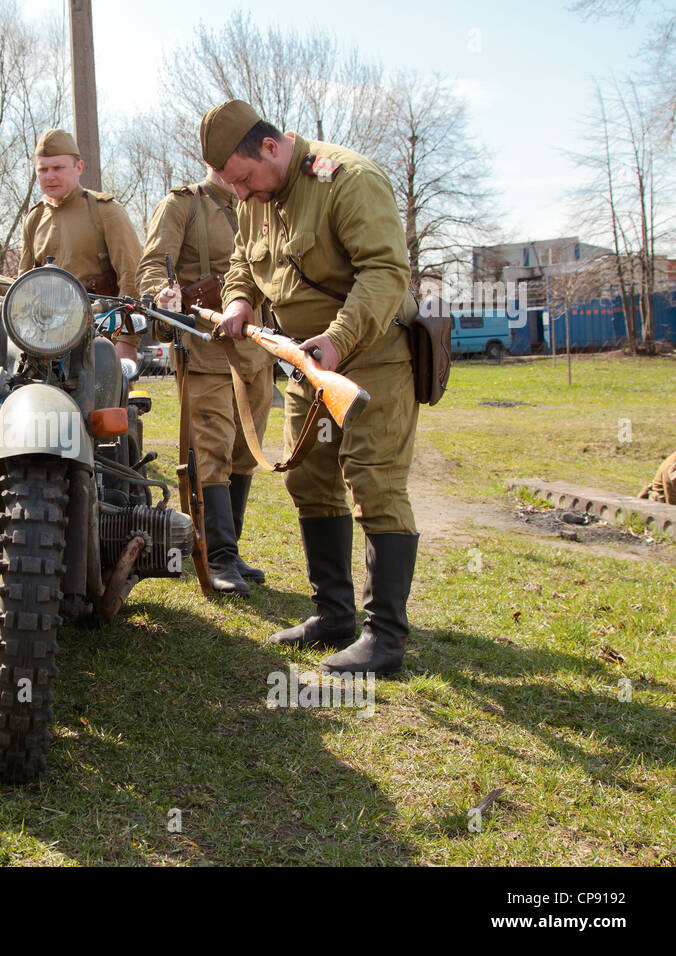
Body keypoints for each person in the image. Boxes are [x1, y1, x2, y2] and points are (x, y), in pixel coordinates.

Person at [201, 99, 419, 677]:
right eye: (234, 187)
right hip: (305, 363)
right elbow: (242, 266)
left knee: (374, 481)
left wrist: (336, 343)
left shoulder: (347, 180)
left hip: (371, 358)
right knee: (309, 477)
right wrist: (240, 303)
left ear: (270, 147)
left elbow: (384, 273)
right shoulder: (255, 198)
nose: (242, 196)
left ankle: (386, 638)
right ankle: (334, 615)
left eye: (245, 179)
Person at [136, 167, 275, 595]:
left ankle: (229, 549)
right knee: (212, 448)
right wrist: (163, 294)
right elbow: (151, 269)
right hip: (205, 348)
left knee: (245, 451)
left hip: (257, 348)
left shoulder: (263, 202)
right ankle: (216, 555)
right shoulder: (183, 204)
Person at [20, 128, 143, 361]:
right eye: (42, 169)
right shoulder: (34, 219)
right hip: (46, 341)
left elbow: (132, 276)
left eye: (58, 168)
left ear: (79, 168)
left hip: (101, 338)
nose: (49, 176)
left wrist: (126, 340)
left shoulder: (104, 211)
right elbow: (23, 287)